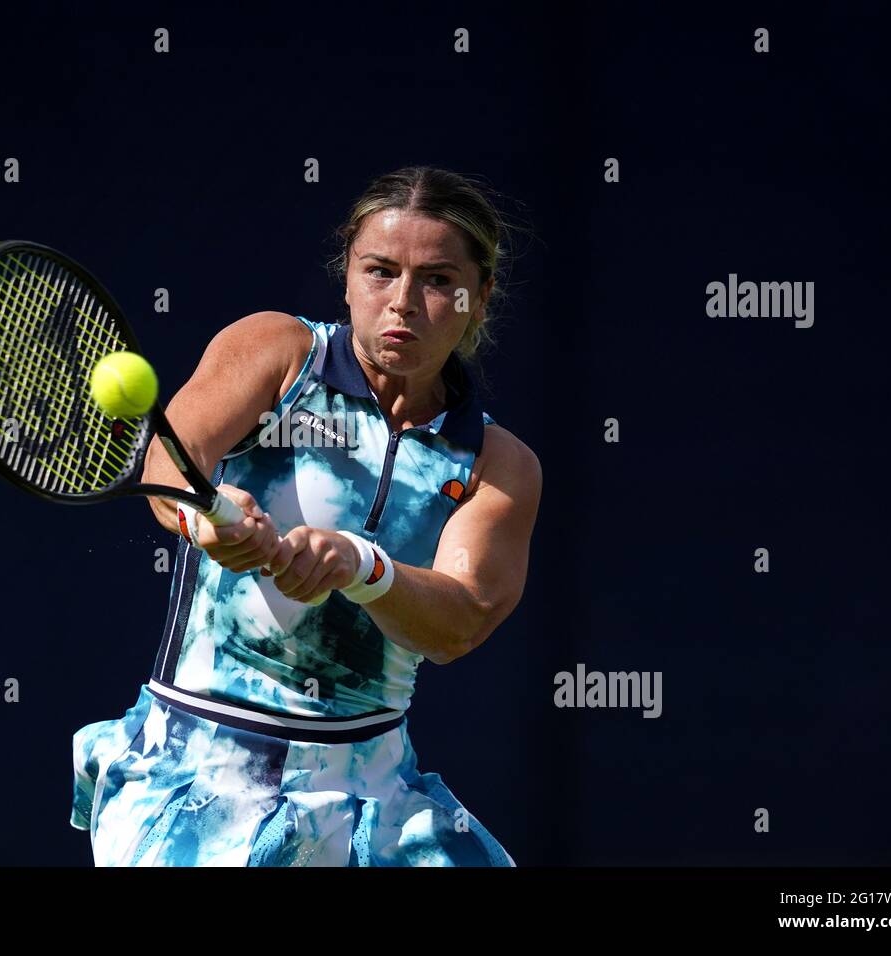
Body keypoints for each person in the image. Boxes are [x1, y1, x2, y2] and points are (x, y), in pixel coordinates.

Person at [71, 166, 543, 866]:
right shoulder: (279, 354)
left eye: (438, 280)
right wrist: (206, 519)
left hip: (376, 798)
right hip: (198, 777)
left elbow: (459, 620)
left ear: (481, 297)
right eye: (379, 272)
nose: (403, 303)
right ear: (347, 276)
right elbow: (174, 462)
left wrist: (364, 567)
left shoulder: (497, 463)